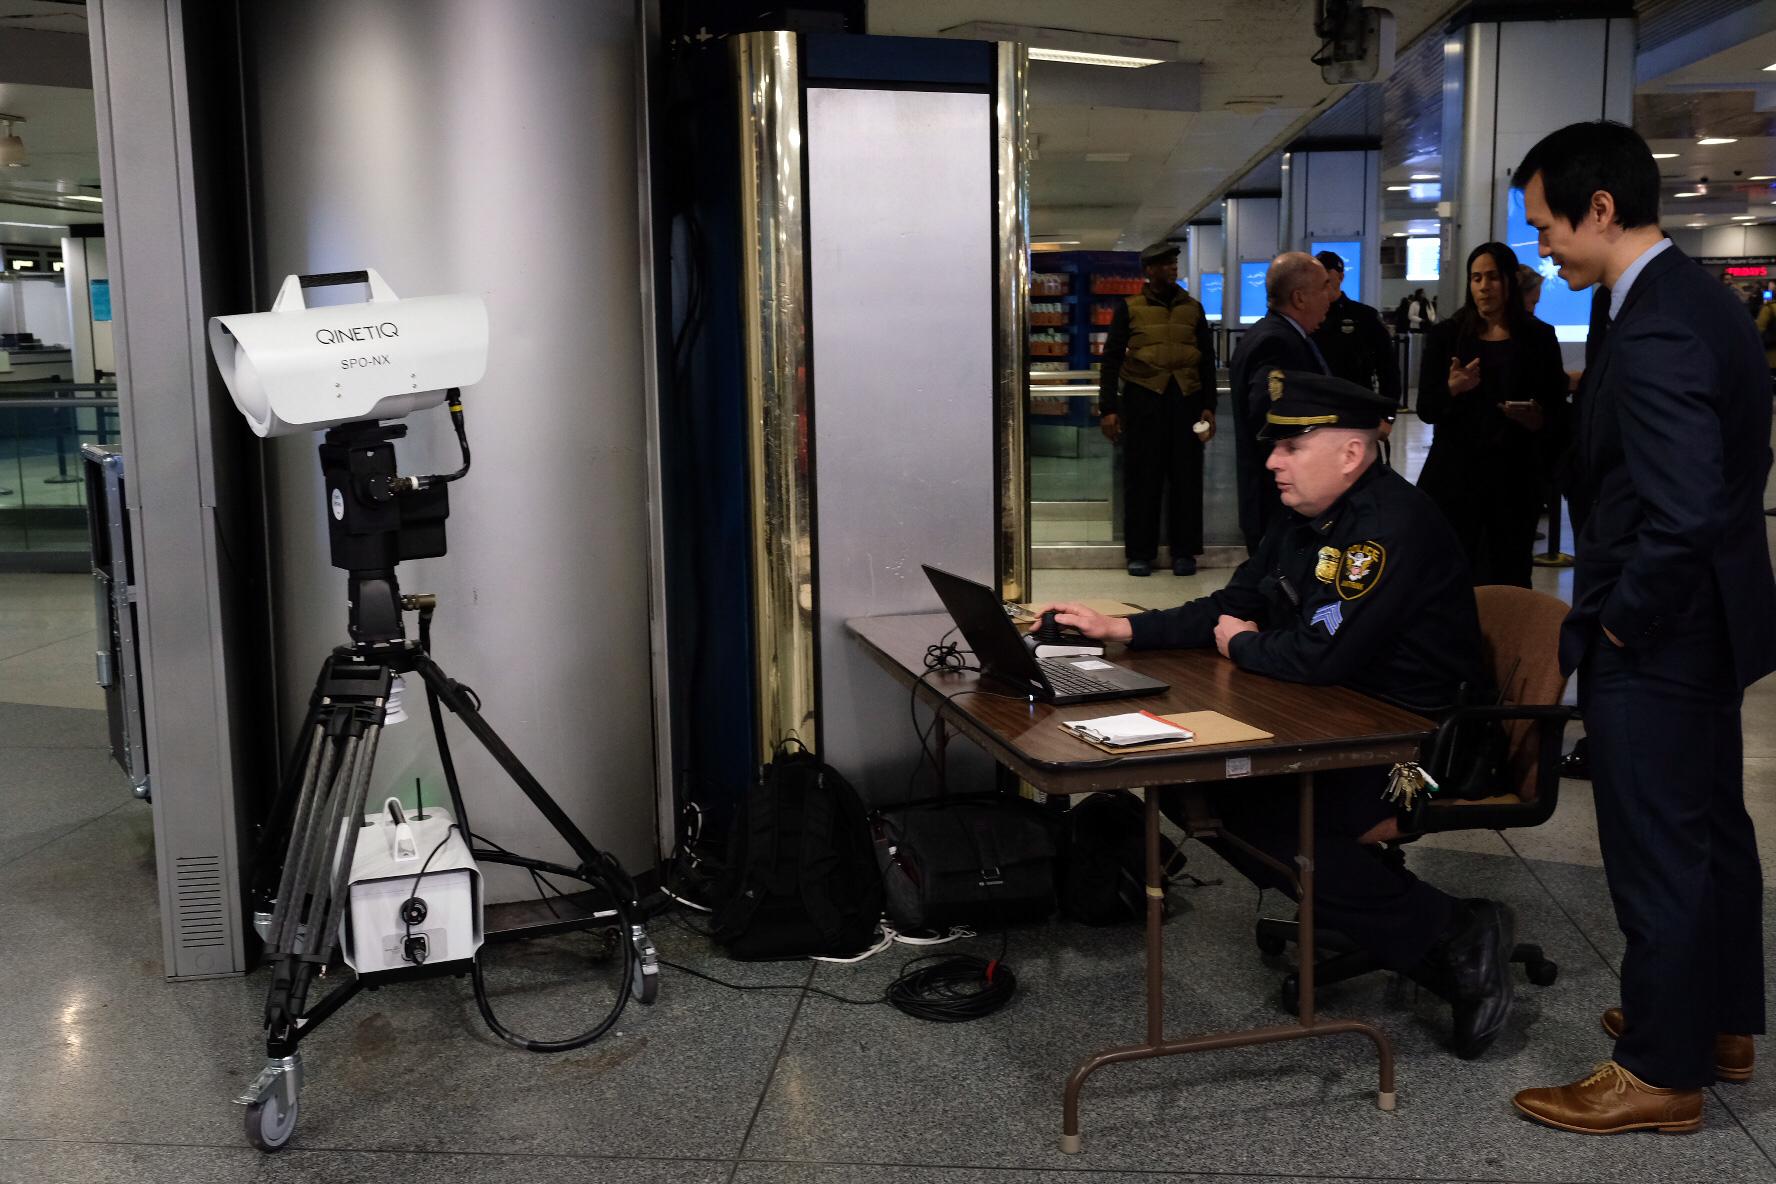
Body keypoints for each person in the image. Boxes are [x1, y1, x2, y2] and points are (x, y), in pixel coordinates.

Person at [1042, 371, 1517, 1059]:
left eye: (1291, 447)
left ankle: (1450, 932)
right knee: (1192, 786)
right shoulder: (1303, 520)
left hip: (1421, 752)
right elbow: (1229, 605)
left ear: (1350, 455)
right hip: (1336, 723)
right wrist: (1119, 630)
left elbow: (1314, 654)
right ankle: (1415, 926)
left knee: (1261, 814)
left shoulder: (1384, 530)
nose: (1271, 461)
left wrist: (1242, 642)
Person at [1510, 120, 1776, 1136]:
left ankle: (1660, 1067)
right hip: (1708, 625)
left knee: (1658, 843)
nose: (1543, 247)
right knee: (1710, 825)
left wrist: (1618, 628)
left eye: (1548, 227)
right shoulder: (1685, 303)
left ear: (1604, 209)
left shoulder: (1658, 323)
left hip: (1661, 634)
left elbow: (1683, 510)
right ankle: (1715, 1021)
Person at [1414, 242, 1566, 587]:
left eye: (1493, 277)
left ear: (1509, 282)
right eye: (1476, 278)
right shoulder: (1448, 336)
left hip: (1515, 477)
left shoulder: (1538, 337)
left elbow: (1556, 408)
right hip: (1456, 476)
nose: (1484, 286)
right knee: (1452, 573)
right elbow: (1426, 409)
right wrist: (1452, 388)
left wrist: (1537, 418)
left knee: (1509, 571)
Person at [1097, 242, 1218, 577]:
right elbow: (1110, 361)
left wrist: (1210, 407)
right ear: (1148, 271)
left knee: (1186, 479)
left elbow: (1207, 361)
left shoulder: (1193, 309)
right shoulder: (1130, 308)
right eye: (1165, 264)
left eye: (1174, 263)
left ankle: (1185, 551)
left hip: (1186, 401)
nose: (1172, 268)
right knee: (1142, 480)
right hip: (1142, 401)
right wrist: (1108, 408)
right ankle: (1140, 552)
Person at [1227, 252, 1331, 552]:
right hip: (1277, 502)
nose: (1331, 295)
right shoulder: (1276, 343)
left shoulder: (1279, 335)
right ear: (1299, 298)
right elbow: (1273, 421)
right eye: (1324, 287)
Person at [1311, 250, 1400, 457]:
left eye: (1326, 272)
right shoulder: (1308, 317)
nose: (1321, 279)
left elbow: (1388, 369)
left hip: (1357, 415)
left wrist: (1388, 417)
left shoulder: (1364, 317)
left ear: (1340, 276)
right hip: (1317, 417)